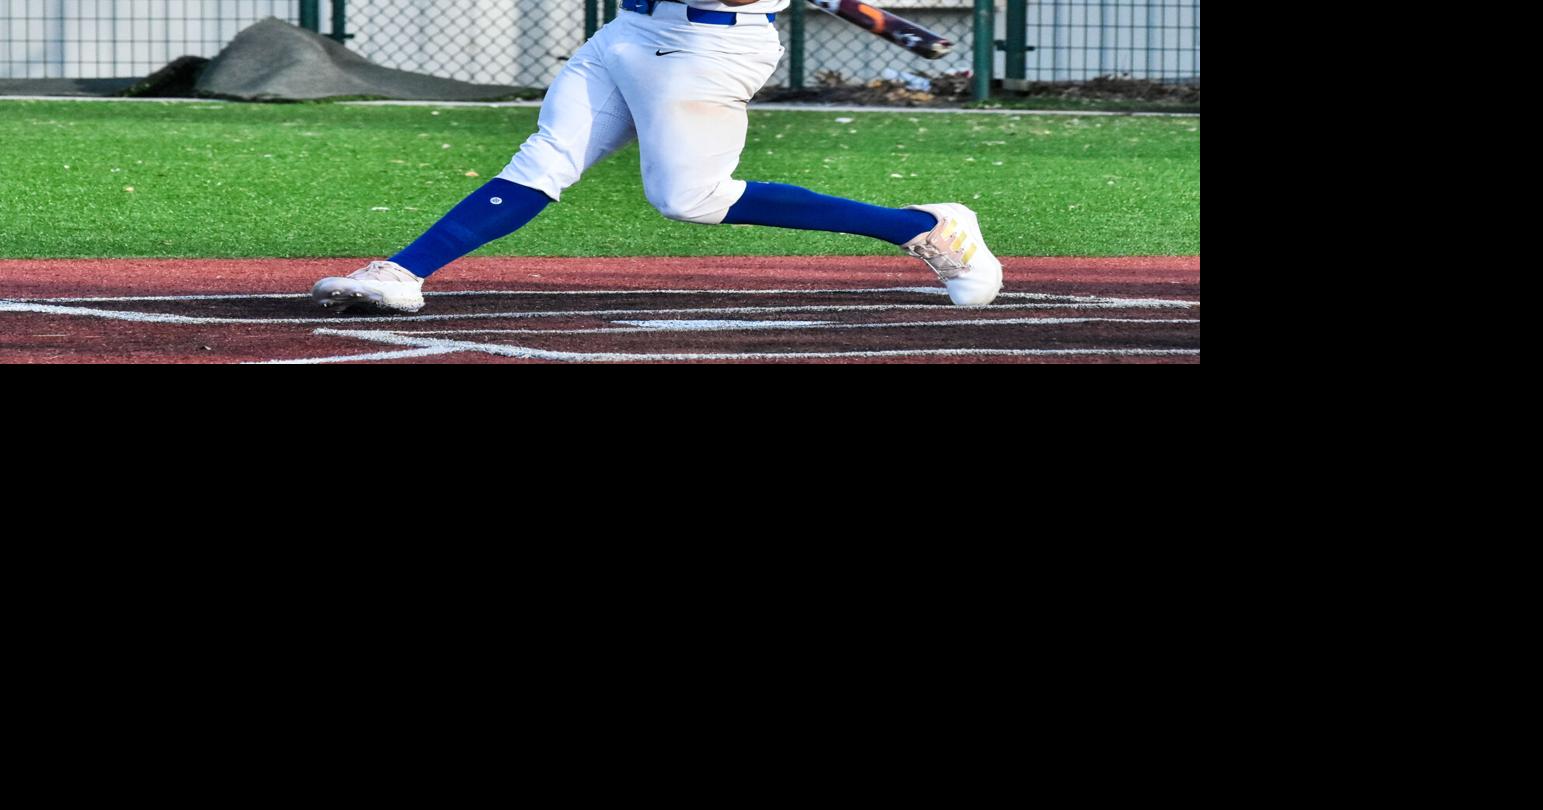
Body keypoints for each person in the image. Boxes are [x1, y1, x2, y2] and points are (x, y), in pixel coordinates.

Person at [312, 0, 1001, 313]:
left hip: (708, 46)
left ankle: (921, 227)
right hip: (630, 28)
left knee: (689, 199)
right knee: (546, 158)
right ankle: (403, 272)